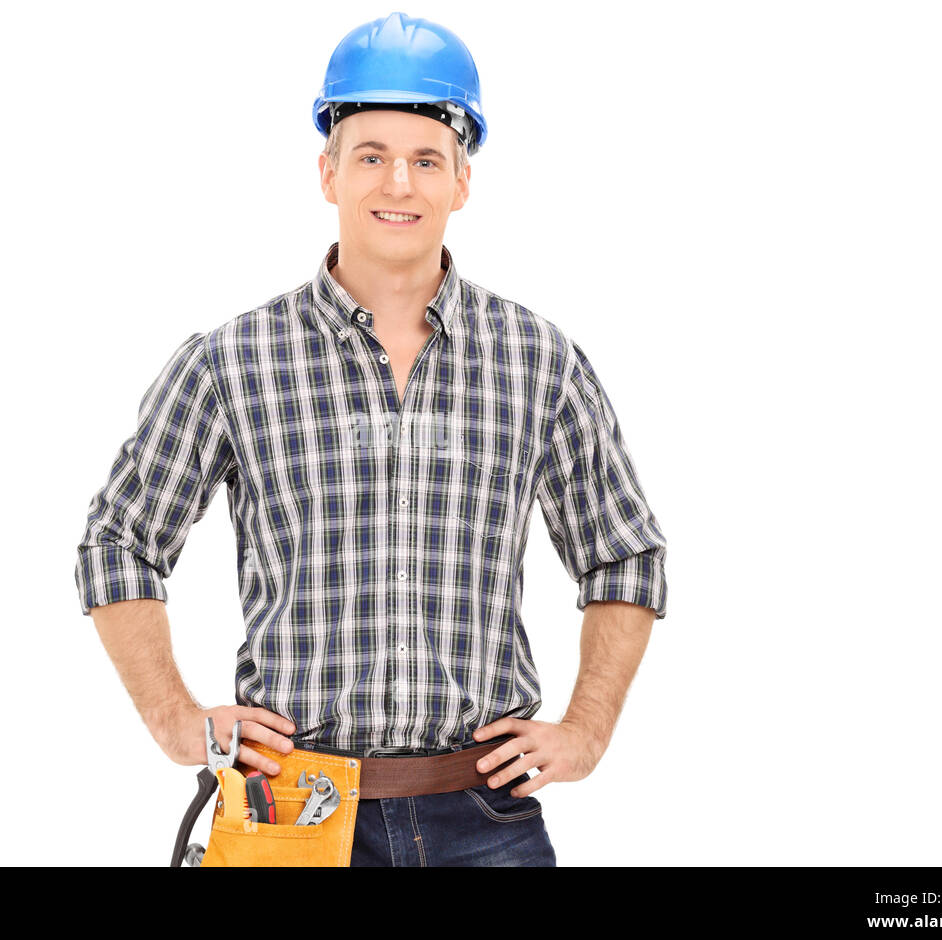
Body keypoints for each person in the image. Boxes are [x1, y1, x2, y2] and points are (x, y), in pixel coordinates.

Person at [73, 11, 668, 867]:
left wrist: (586, 729)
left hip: (483, 820)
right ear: (328, 173)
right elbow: (118, 542)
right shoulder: (232, 361)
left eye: (426, 158)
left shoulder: (540, 361)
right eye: (371, 155)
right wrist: (176, 718)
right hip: (289, 813)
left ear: (463, 181)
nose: (400, 182)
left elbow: (625, 557)